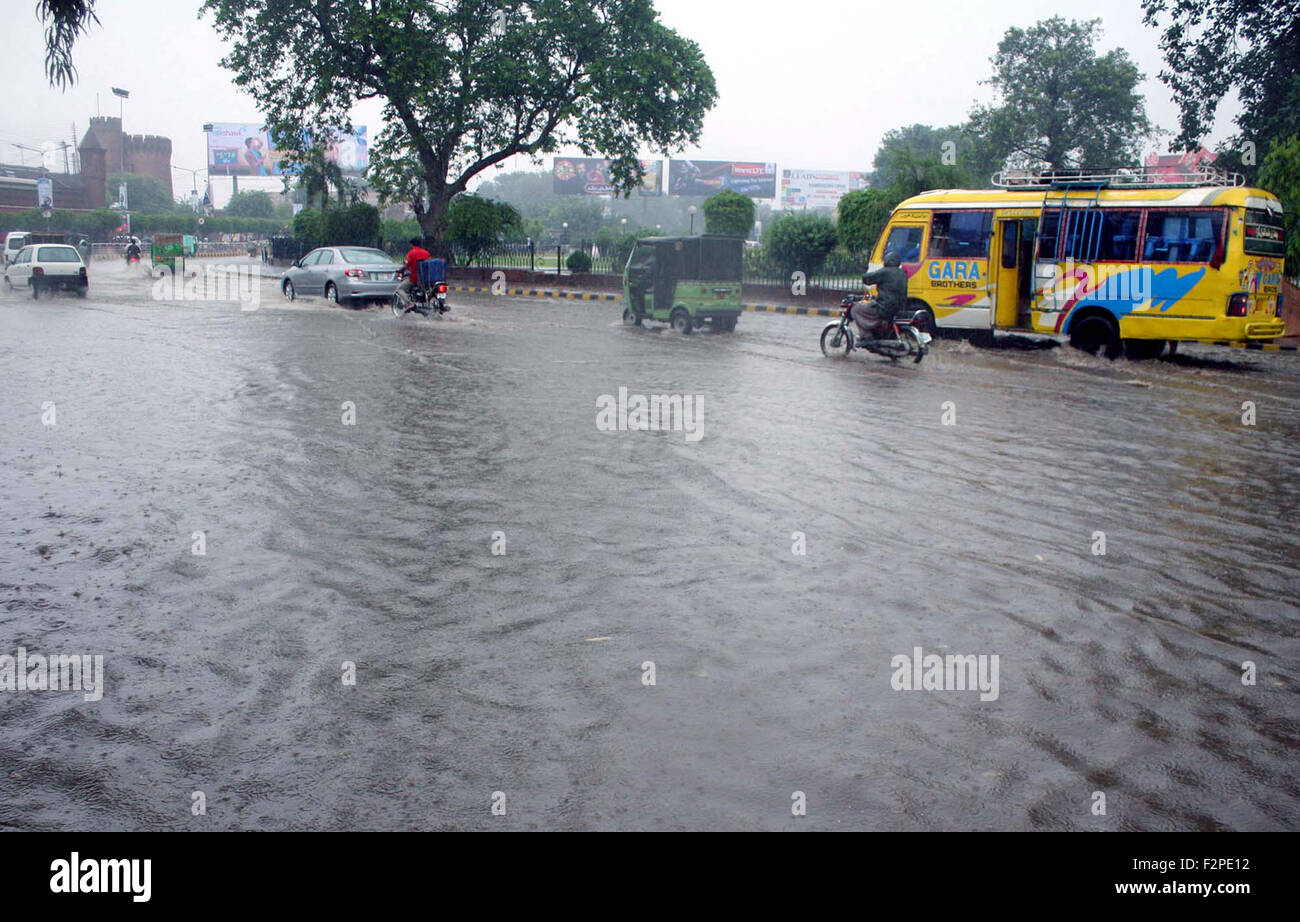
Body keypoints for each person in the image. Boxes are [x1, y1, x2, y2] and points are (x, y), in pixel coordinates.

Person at [852, 250, 909, 339]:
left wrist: (863, 272)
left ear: (886, 260)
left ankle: (865, 335)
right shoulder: (903, 273)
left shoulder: (885, 272)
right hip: (898, 308)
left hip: (884, 307)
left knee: (856, 309)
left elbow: (868, 278)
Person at [397, 238, 431, 309]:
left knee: (400, 289)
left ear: (412, 245)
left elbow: (407, 264)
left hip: (415, 278)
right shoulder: (426, 253)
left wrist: (400, 270)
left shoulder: (411, 253)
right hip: (427, 278)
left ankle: (409, 303)